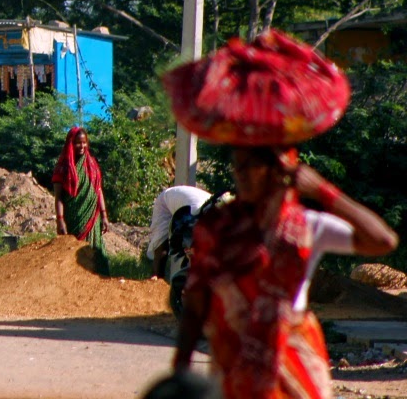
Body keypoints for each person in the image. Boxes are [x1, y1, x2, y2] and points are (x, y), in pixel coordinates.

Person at [165, 29, 399, 399]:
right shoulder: (217, 225)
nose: (238, 175)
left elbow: (383, 240)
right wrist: (179, 372)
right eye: (237, 166)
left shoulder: (308, 227)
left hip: (294, 366)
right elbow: (195, 305)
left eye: (247, 167)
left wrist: (324, 191)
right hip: (234, 366)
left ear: (277, 171)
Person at [51, 126, 109, 255]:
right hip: (72, 220)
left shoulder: (92, 164)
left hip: (92, 218)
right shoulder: (63, 167)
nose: (82, 146)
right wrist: (60, 220)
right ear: (71, 143)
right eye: (78, 143)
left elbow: (98, 190)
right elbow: (59, 197)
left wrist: (104, 215)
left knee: (93, 253)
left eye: (84, 142)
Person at [147, 185, 212, 278]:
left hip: (189, 201)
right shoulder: (196, 213)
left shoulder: (219, 215)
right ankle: (156, 278)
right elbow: (188, 240)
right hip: (165, 204)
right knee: (162, 245)